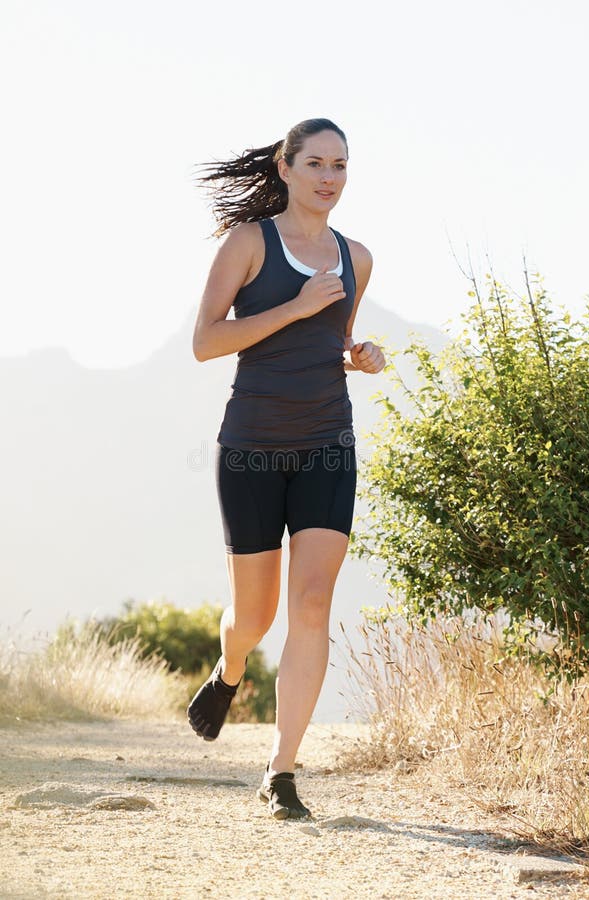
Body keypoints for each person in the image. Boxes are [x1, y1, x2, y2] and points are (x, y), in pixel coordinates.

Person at [187, 117, 386, 820]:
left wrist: (357, 354)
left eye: (340, 165)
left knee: (310, 606)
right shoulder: (249, 243)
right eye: (316, 164)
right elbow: (206, 343)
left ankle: (282, 770)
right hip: (251, 447)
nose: (329, 178)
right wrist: (295, 305)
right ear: (285, 166)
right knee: (255, 614)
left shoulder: (355, 257)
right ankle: (230, 667)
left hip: (327, 444)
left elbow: (327, 343)